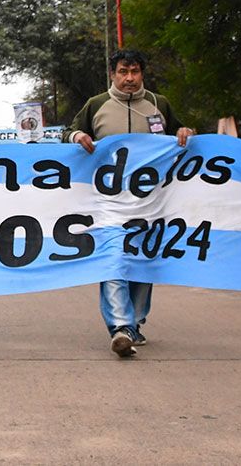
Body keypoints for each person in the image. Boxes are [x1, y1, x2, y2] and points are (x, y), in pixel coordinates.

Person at [63, 49, 195, 358]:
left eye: (135, 72)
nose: (129, 78)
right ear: (112, 74)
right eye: (123, 71)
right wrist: (77, 136)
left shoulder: (159, 104)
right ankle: (120, 328)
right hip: (107, 202)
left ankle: (134, 323)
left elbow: (181, 133)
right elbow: (68, 133)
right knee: (112, 260)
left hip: (151, 203)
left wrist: (186, 132)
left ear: (142, 74)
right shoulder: (95, 105)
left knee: (143, 261)